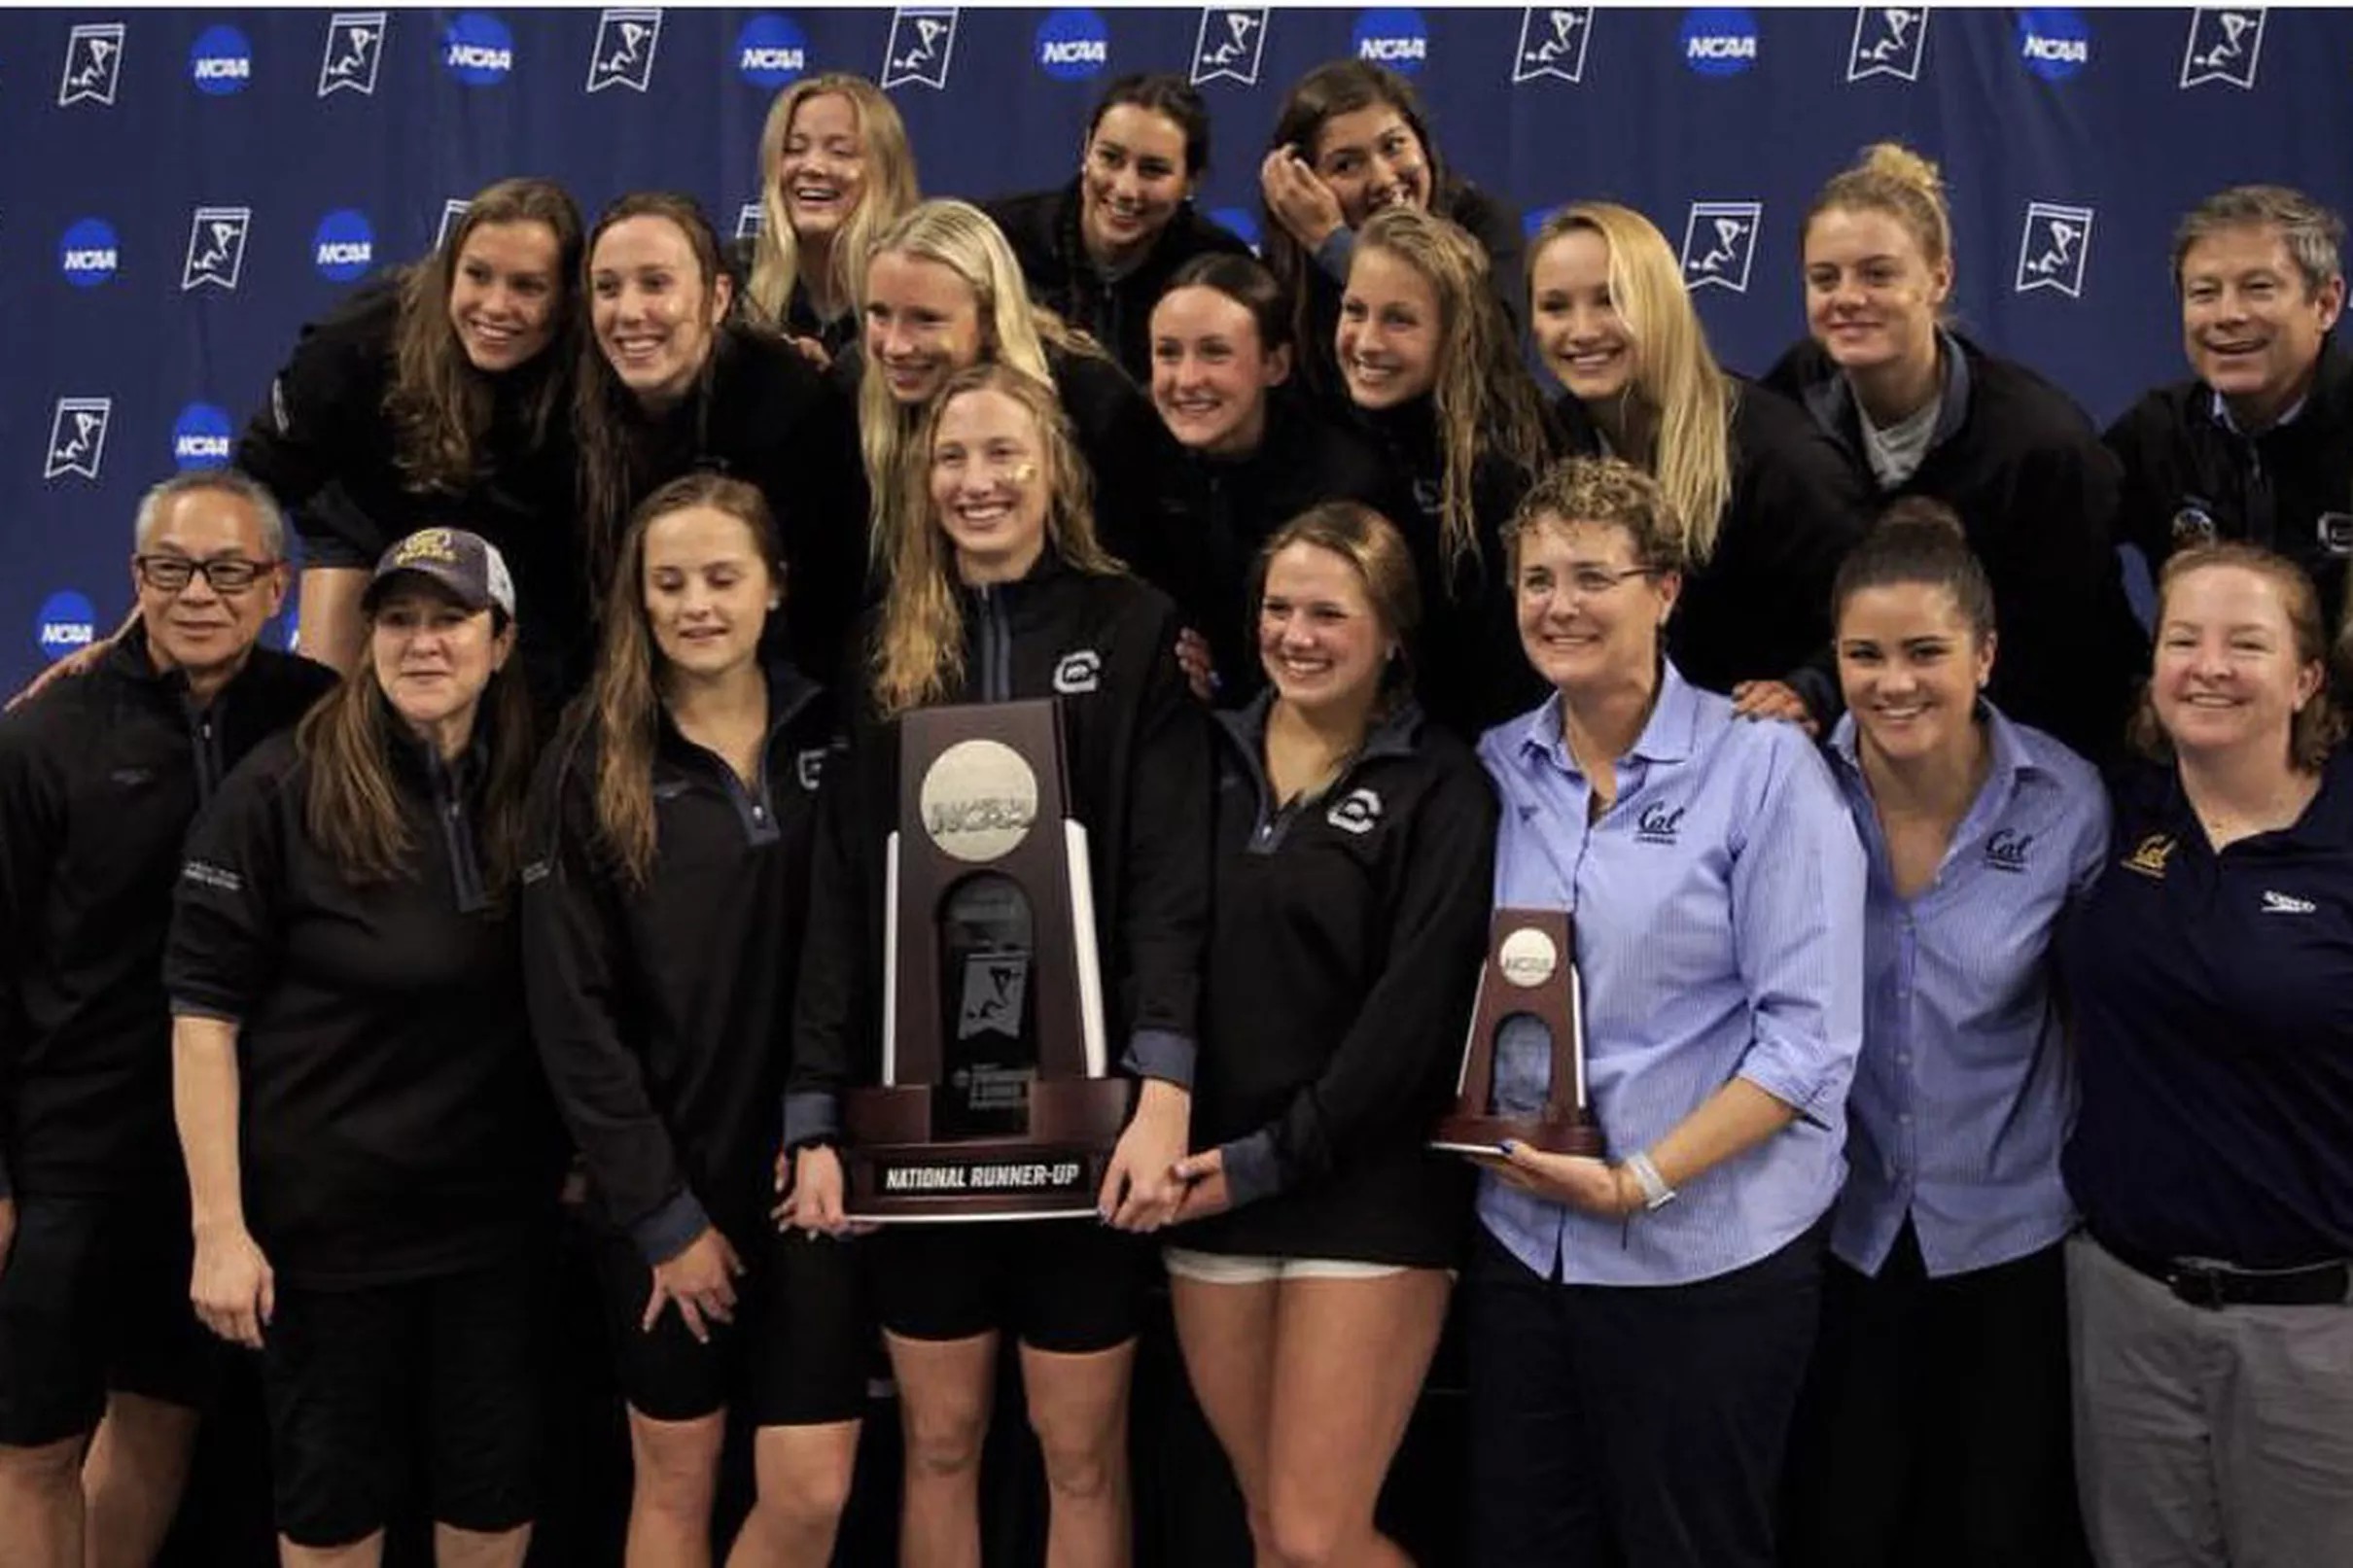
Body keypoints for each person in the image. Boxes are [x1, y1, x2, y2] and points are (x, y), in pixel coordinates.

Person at [785, 365, 1212, 1568]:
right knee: (937, 1442)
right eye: (951, 457)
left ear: (1053, 468)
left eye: (1003, 454)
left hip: (1089, 1121)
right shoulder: (880, 648)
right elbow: (840, 896)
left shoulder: (1131, 628)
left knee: (1079, 1452)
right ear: (919, 480)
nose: (977, 482)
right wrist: (815, 1114)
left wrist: (1162, 1087)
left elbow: (1168, 878)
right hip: (920, 1126)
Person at [1465, 458, 1865, 1568]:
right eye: (1537, 579)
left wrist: (1637, 1180)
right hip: (1524, 1248)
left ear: (1666, 591)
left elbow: (1807, 1044)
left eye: (1593, 577)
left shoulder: (1763, 767)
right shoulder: (1497, 766)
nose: (1559, 605)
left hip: (1702, 1257)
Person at [165, 528, 564, 1566]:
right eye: (398, 619)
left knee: (492, 1508)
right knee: (333, 1521)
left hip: (495, 1237)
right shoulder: (278, 786)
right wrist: (219, 1228)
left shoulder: (543, 778)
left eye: (450, 619)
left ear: (501, 642)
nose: (422, 643)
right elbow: (202, 1017)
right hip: (327, 1243)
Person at [523, 474, 866, 1568]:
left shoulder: (838, 730)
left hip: (814, 1176)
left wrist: (837, 1131)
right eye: (668, 583)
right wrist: (662, 1216)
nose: (696, 605)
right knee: (676, 1478)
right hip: (661, 1188)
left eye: (723, 577)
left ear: (775, 586)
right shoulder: (591, 756)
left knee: (811, 1490)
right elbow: (570, 1011)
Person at [0, 471, 334, 1568]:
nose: (198, 593)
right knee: (34, 1441)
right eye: (171, 568)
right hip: (68, 1153)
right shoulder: (45, 732)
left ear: (277, 584)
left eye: (228, 569)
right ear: (135, 578)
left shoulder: (318, 715)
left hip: (234, 1155)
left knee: (160, 1415)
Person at [1166, 502, 1495, 1568]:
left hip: (1365, 1190)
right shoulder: (1200, 755)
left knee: (1316, 1533)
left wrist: (1274, 1156)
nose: (1295, 635)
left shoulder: (1443, 785)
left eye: (1327, 613)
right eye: (1277, 609)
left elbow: (1414, 1021)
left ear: (1391, 631)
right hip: (1208, 1187)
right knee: (1268, 1530)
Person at [1779, 499, 2104, 1568]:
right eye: (1864, 655)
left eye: (1925, 652)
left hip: (2012, 1238)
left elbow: (2095, 1013)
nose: (1894, 682)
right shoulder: (1784, 784)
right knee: (1840, 1526)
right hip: (1834, 1229)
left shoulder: (2065, 801)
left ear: (1985, 654)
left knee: (1996, 1532)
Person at [2060, 542, 2353, 1568]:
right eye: (2182, 639)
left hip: (2312, 1333)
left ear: (2305, 677)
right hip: (2124, 1306)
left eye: (2246, 643)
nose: (2208, 666)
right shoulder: (2115, 809)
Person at [1763, 143, 2144, 763]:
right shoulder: (1789, 399)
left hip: (2034, 747)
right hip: (1854, 737)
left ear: (1939, 279)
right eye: (1824, 279)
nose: (1847, 297)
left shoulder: (2040, 444)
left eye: (1878, 275)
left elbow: (2077, 649)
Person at [238, 176, 587, 701]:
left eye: (527, 287)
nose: (495, 305)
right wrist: (150, 624)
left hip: (526, 540)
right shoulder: (364, 336)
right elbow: (252, 484)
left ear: (566, 299)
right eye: (477, 275)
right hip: (368, 521)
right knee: (328, 714)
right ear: (449, 272)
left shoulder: (594, 364)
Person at [1527, 200, 1869, 723]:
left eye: (1611, 300)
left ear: (1662, 302)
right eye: (1555, 307)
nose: (1582, 330)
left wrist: (1812, 689)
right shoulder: (1543, 449)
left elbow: (1872, 605)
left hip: (1756, 746)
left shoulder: (1775, 453)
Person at [578, 192, 870, 690]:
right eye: (607, 288)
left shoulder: (789, 402)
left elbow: (828, 602)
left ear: (716, 299)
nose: (628, 311)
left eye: (655, 284)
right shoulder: (569, 410)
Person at [846, 198, 1181, 598]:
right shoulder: (852, 386)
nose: (896, 346)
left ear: (989, 318)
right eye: (880, 315)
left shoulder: (1090, 400)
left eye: (926, 320)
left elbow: (1144, 569)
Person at [1144, 253, 1406, 699]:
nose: (1185, 379)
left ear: (1275, 365)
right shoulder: (1135, 457)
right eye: (1168, 353)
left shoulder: (1347, 485)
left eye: (1215, 353)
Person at [1337, 206, 1556, 737]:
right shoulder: (1344, 428)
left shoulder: (1503, 460)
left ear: (1457, 334)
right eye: (1355, 311)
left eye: (1399, 320)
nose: (1366, 342)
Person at [2107, 185, 2353, 637]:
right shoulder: (2157, 431)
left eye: (2258, 288)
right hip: (2205, 680)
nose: (2228, 314)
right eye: (2204, 293)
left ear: (2326, 304)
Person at [1259, 59, 1525, 402]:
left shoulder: (1484, 225)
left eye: (1393, 146)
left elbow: (1486, 349)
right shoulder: (1291, 269)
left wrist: (1334, 244)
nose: (1384, 179)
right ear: (1304, 183)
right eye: (1347, 164)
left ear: (1423, 144)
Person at [986, 72, 1252, 386]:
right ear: (1087, 149)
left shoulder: (1220, 266)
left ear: (1191, 181)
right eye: (1110, 158)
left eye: (1153, 170)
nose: (1126, 188)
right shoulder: (1000, 237)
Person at [739, 73, 921, 364]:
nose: (813, 167)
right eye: (793, 149)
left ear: (886, 172)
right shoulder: (738, 279)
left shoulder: (923, 284)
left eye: (840, 152)